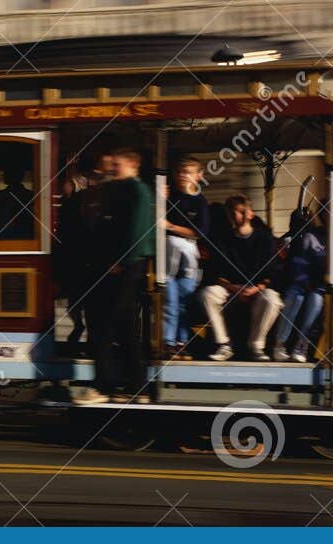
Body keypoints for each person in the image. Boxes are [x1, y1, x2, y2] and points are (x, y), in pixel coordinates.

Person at [74, 147, 155, 405]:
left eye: (117, 164)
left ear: (132, 164)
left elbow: (136, 230)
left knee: (104, 323)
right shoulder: (126, 189)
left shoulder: (136, 190)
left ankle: (103, 386)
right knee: (126, 326)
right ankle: (137, 386)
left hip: (124, 266)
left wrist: (120, 261)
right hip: (125, 265)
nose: (113, 168)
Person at [269, 201, 333, 362]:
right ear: (322, 216)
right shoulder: (311, 238)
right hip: (315, 286)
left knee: (317, 299)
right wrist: (307, 282)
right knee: (302, 296)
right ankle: (282, 344)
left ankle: (302, 344)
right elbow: (299, 267)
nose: (332, 216)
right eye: (327, 213)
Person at [199, 195, 283, 361]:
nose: (234, 215)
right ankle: (224, 344)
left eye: (238, 211)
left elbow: (272, 274)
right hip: (231, 290)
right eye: (232, 212)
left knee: (272, 299)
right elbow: (215, 274)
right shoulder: (223, 239)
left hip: (257, 290)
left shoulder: (264, 238)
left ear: (250, 214)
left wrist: (256, 288)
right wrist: (234, 288)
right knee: (207, 294)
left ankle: (256, 347)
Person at [55, 153, 113, 350]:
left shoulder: (115, 180)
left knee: (98, 296)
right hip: (81, 244)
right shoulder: (86, 179)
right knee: (76, 292)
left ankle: (96, 338)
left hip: (102, 246)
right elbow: (67, 190)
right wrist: (70, 170)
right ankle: (80, 326)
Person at [162, 157, 210, 357]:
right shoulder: (168, 196)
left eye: (189, 172)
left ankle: (181, 341)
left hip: (189, 256)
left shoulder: (199, 201)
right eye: (181, 171)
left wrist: (172, 227)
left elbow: (200, 231)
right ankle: (168, 342)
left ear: (198, 176)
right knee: (170, 300)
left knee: (185, 301)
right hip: (169, 254)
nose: (183, 176)